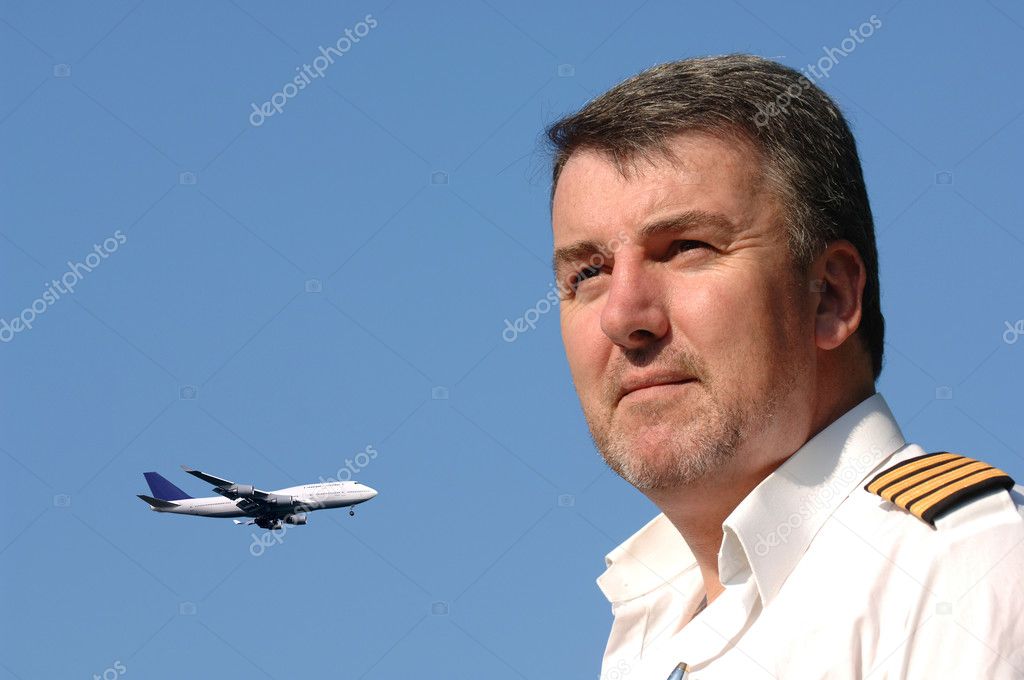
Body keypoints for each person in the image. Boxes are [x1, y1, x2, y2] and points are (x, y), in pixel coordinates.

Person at [545, 54, 1024, 679]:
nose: (623, 316)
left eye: (686, 248)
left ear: (830, 295)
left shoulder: (962, 571)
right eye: (587, 273)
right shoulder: (651, 618)